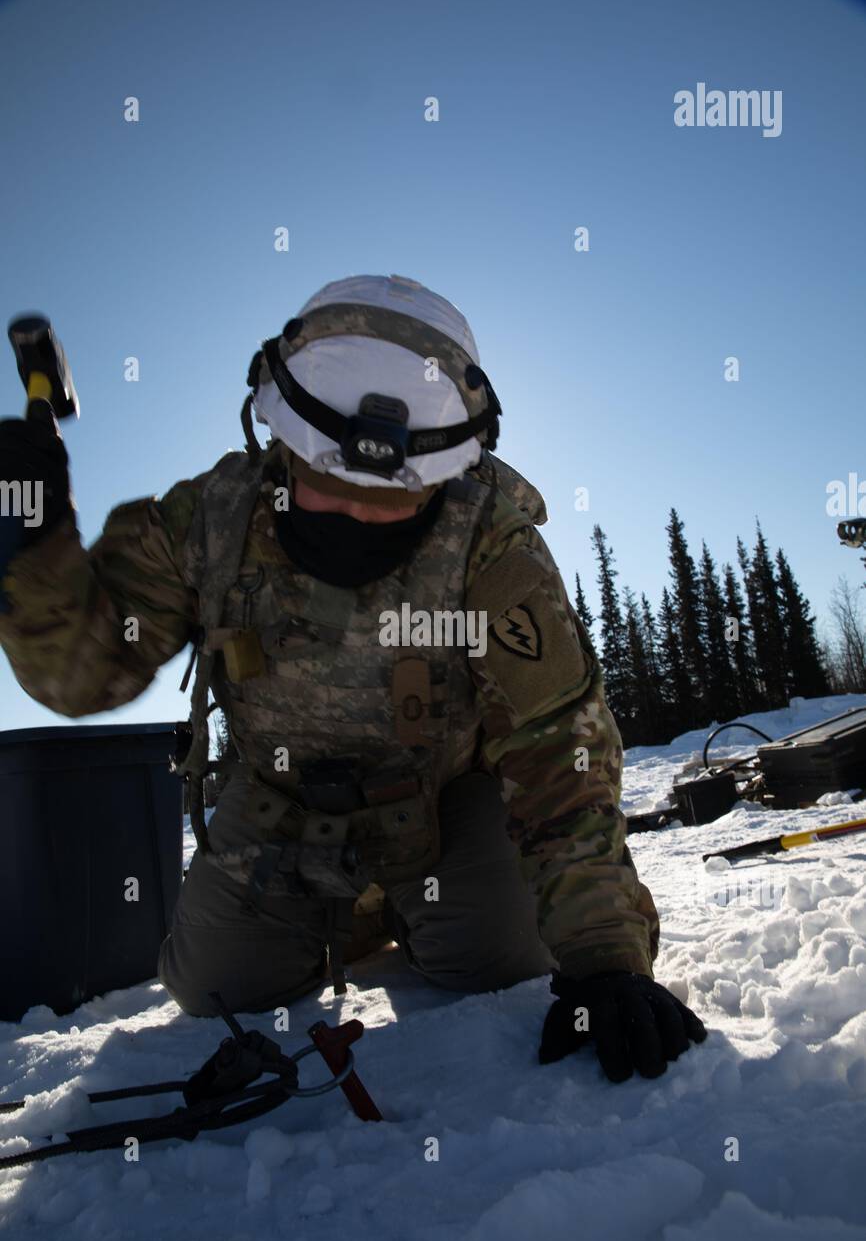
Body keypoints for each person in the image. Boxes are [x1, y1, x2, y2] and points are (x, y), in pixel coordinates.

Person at [0, 273, 706, 1082]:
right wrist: (35, 546)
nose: (362, 520)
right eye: (332, 493)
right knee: (210, 986)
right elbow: (84, 677)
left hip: (446, 808)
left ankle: (407, 911)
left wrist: (607, 957)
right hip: (279, 809)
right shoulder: (212, 522)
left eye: (394, 503)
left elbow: (559, 749)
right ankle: (358, 916)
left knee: (512, 961)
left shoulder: (490, 543)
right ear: (284, 446)